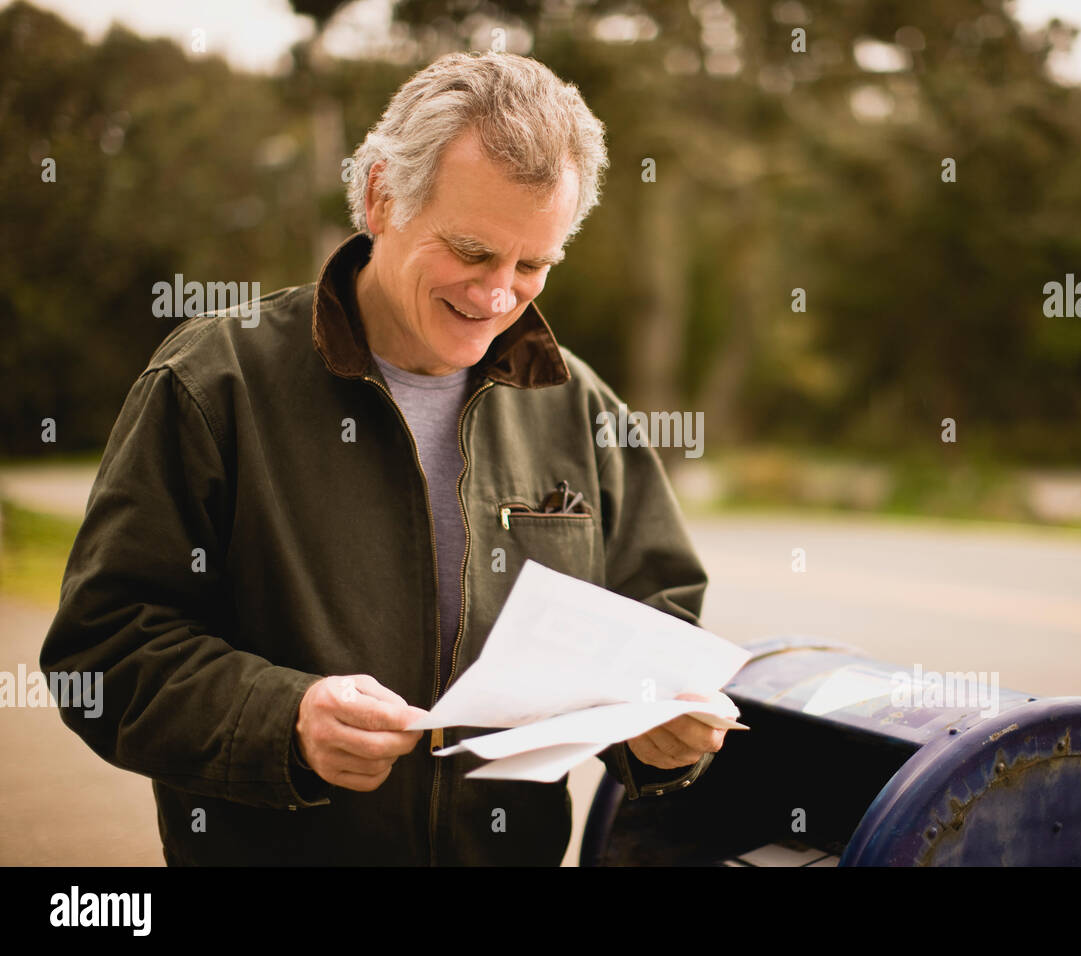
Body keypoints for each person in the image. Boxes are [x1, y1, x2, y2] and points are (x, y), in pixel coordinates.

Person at [40, 50, 727, 866]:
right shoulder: (212, 384)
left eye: (533, 264)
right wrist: (283, 719)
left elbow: (658, 636)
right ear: (379, 197)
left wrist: (660, 740)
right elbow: (104, 651)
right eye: (472, 251)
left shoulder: (580, 408)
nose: (499, 294)